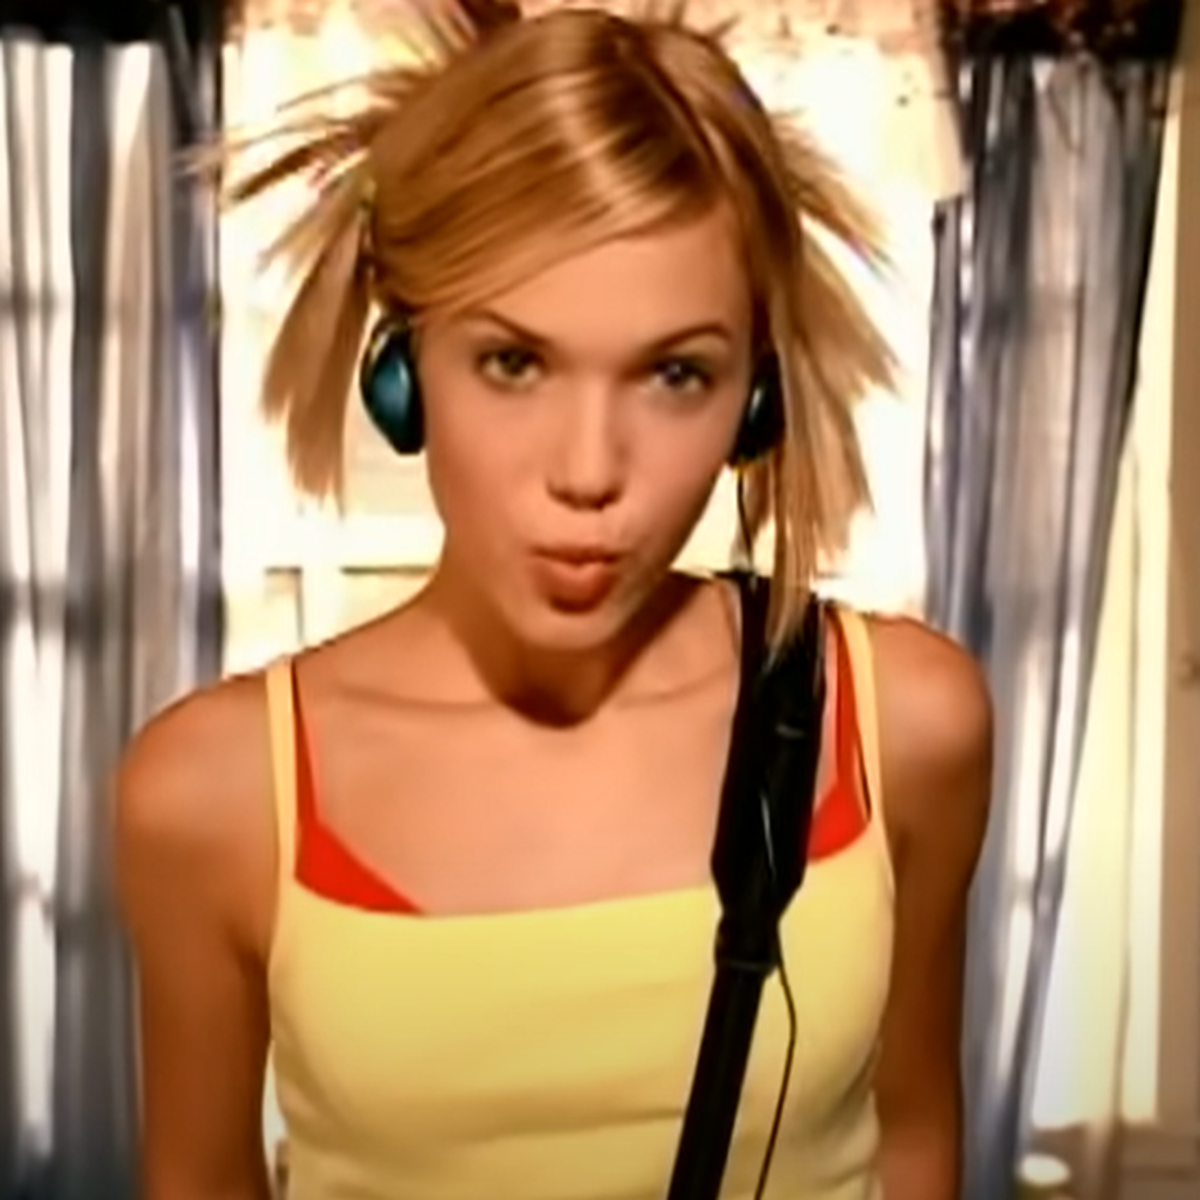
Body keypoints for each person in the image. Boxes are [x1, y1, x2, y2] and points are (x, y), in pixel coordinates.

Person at [113, 3, 992, 1199]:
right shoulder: (215, 797)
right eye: (514, 362)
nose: (588, 470)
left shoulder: (901, 727)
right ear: (401, 371)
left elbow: (918, 1134)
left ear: (757, 399)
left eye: (675, 373)